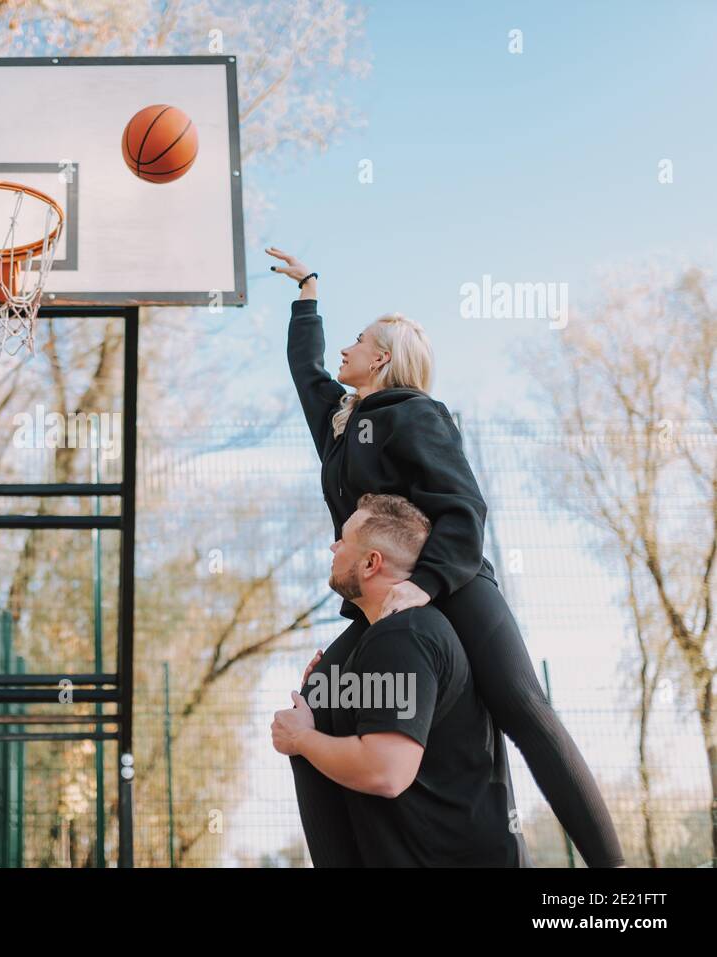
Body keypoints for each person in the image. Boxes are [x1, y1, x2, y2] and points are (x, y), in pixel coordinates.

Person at [267, 247, 624, 867]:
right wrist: (307, 294)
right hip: (385, 594)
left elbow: (463, 510)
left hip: (452, 582)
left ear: (381, 357)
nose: (345, 349)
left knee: (524, 711)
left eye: (357, 339)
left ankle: (615, 877)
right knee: (320, 702)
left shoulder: (416, 415)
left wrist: (425, 583)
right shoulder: (342, 424)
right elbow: (307, 371)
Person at [272, 493, 522, 866]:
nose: (333, 545)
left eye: (344, 539)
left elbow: (386, 771)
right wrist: (329, 695)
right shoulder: (399, 637)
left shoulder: (402, 635)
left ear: (372, 563)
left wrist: (301, 738)